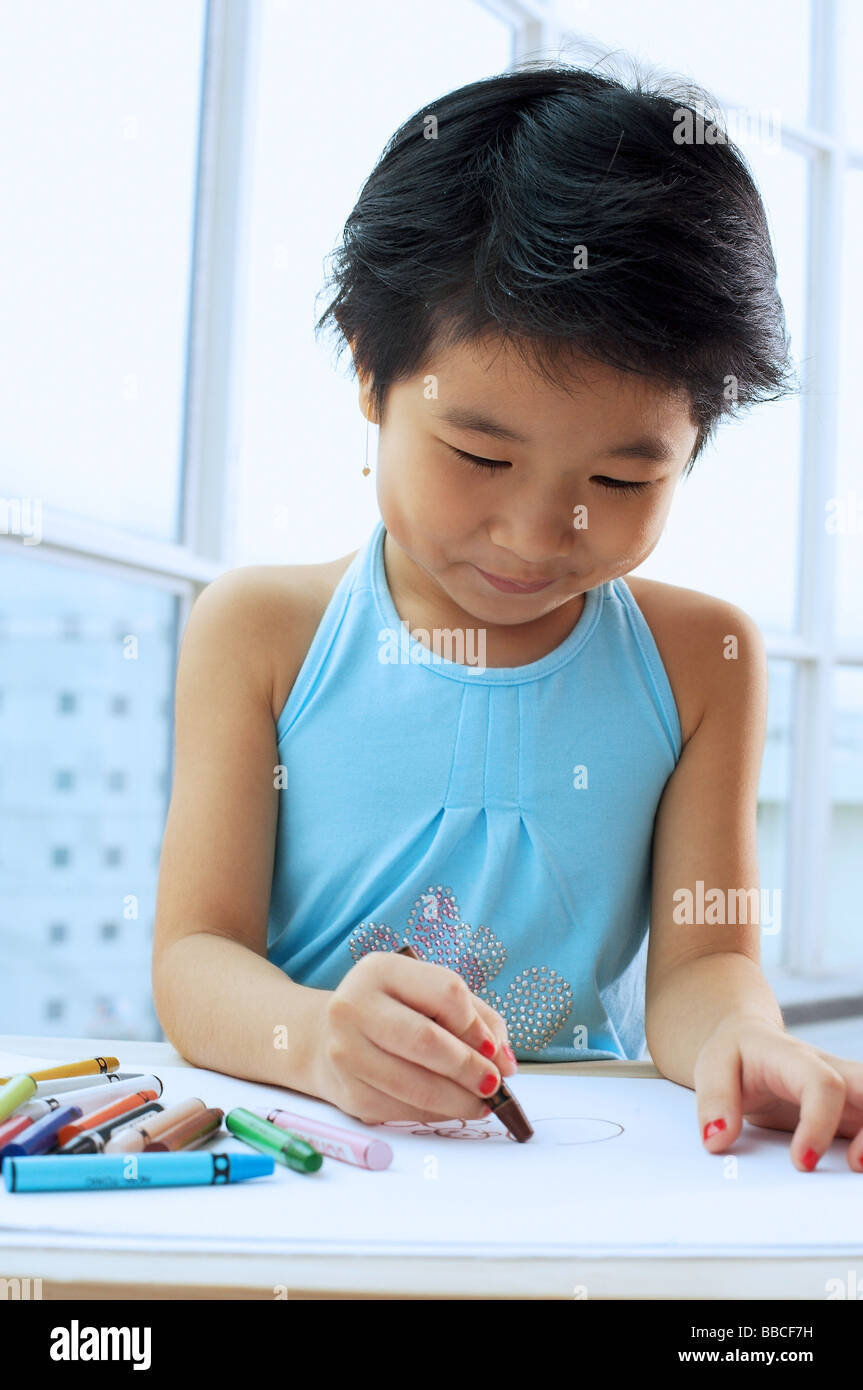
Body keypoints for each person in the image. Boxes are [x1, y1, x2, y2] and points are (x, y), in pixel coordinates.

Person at [153, 61, 863, 1172]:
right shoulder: (260, 630)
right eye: (479, 455)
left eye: (624, 483)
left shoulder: (700, 661)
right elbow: (196, 955)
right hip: (308, 1160)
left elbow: (701, 965)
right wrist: (316, 1039)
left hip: (570, 1176)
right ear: (368, 373)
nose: (538, 536)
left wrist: (739, 1038)